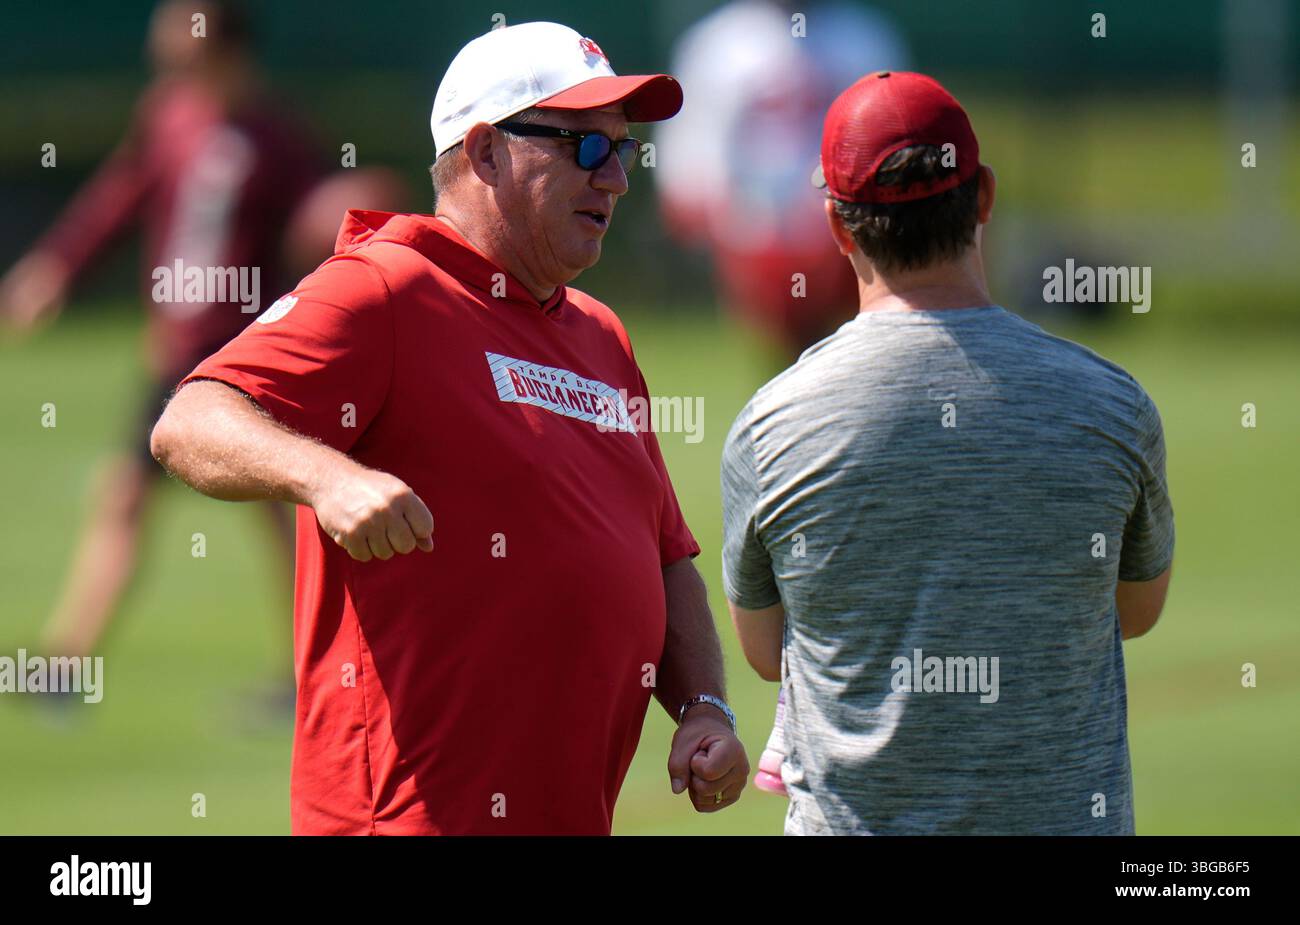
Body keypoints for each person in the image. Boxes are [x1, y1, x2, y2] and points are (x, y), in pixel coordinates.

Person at [150, 21, 749, 835]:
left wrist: (706, 707)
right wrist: (329, 476)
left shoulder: (599, 332)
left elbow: (665, 554)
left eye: (625, 151)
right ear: (487, 153)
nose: (614, 177)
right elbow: (190, 419)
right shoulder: (384, 288)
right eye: (584, 147)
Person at [721, 71, 1174, 834]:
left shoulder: (773, 423)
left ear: (836, 225)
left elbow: (768, 649)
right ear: (985, 197)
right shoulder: (1112, 404)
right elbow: (1135, 608)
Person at [0, 0, 323, 674]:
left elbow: (318, 230)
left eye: (181, 48)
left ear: (226, 48)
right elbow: (118, 199)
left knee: (272, 509)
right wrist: (58, 265)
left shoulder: (277, 137)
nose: (166, 61)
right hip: (177, 356)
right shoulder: (169, 118)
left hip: (243, 358)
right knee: (132, 496)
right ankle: (68, 663)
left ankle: (319, 664)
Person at [656, 0, 909, 358]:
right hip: (751, 227)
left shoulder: (862, 36)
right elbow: (690, 164)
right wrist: (735, 221)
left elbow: (890, 144)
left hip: (844, 223)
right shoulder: (718, 44)